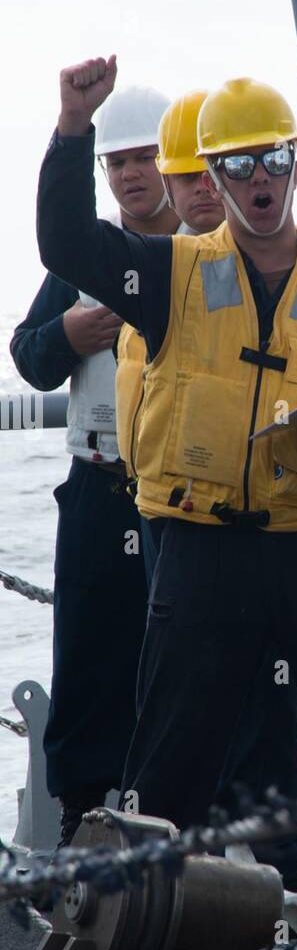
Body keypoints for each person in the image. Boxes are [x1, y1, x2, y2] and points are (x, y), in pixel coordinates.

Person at [37, 54, 297, 846]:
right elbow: (66, 241)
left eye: (272, 159)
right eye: (238, 165)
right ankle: (150, 936)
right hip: (204, 549)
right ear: (213, 177)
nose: (258, 178)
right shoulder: (168, 271)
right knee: (172, 759)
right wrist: (73, 128)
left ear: (294, 168)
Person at [132, 89, 297, 886]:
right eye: (210, 173)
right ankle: (174, 882)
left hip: (283, 530)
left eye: (263, 161)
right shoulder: (159, 272)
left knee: (269, 714)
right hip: (173, 521)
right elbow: (37, 339)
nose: (216, 189)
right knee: (178, 711)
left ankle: (284, 864)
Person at [12, 83, 178, 847]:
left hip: (183, 494)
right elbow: (29, 358)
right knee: (87, 660)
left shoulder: (199, 255)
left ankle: (190, 821)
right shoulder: (81, 262)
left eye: (144, 157)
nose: (131, 175)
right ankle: (79, 825)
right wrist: (68, 335)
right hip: (99, 487)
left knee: (185, 660)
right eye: (116, 163)